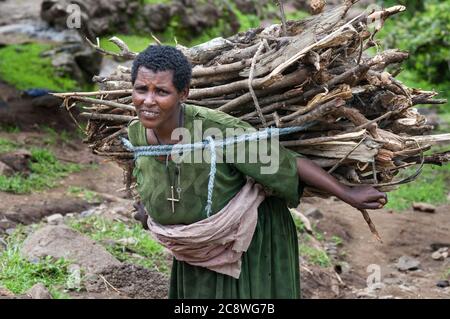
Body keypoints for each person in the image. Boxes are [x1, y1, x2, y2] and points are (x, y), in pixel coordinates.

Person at [128, 45, 387, 299]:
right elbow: (156, 178)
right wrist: (152, 212)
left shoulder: (216, 131)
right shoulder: (136, 134)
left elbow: (284, 162)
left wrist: (347, 194)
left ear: (183, 94)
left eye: (161, 91)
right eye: (141, 89)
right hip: (195, 247)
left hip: (249, 241)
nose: (148, 100)